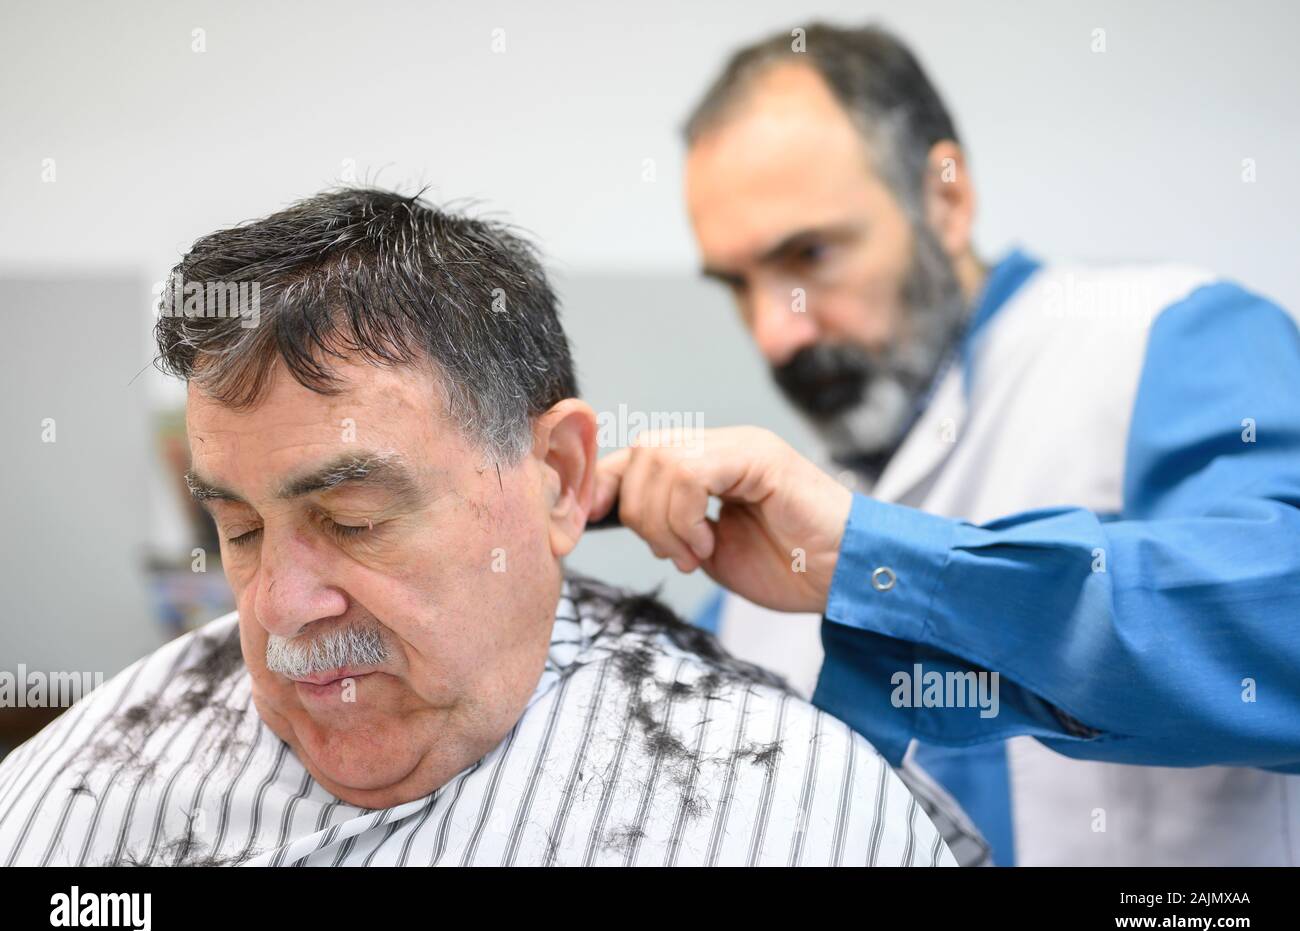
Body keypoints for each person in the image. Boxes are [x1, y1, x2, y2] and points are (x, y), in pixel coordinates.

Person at [0, 187, 958, 867]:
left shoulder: (779, 805)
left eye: (354, 519)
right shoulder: (89, 786)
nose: (281, 609)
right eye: (239, 529)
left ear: (558, 477)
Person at [589, 23, 1300, 866]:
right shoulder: (751, 568)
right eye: (739, 285)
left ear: (947, 199)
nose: (776, 334)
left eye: (809, 254)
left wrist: (878, 563)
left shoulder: (1166, 336)